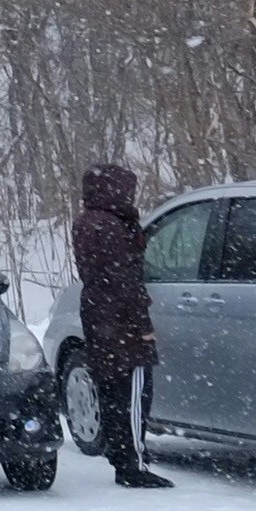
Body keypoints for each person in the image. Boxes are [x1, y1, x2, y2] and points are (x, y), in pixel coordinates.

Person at [71, 163, 167, 488]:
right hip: (122, 321)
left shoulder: (86, 222)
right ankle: (134, 463)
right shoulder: (113, 226)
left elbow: (102, 275)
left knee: (112, 391)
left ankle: (120, 454)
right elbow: (125, 280)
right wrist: (143, 324)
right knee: (136, 390)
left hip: (98, 314)